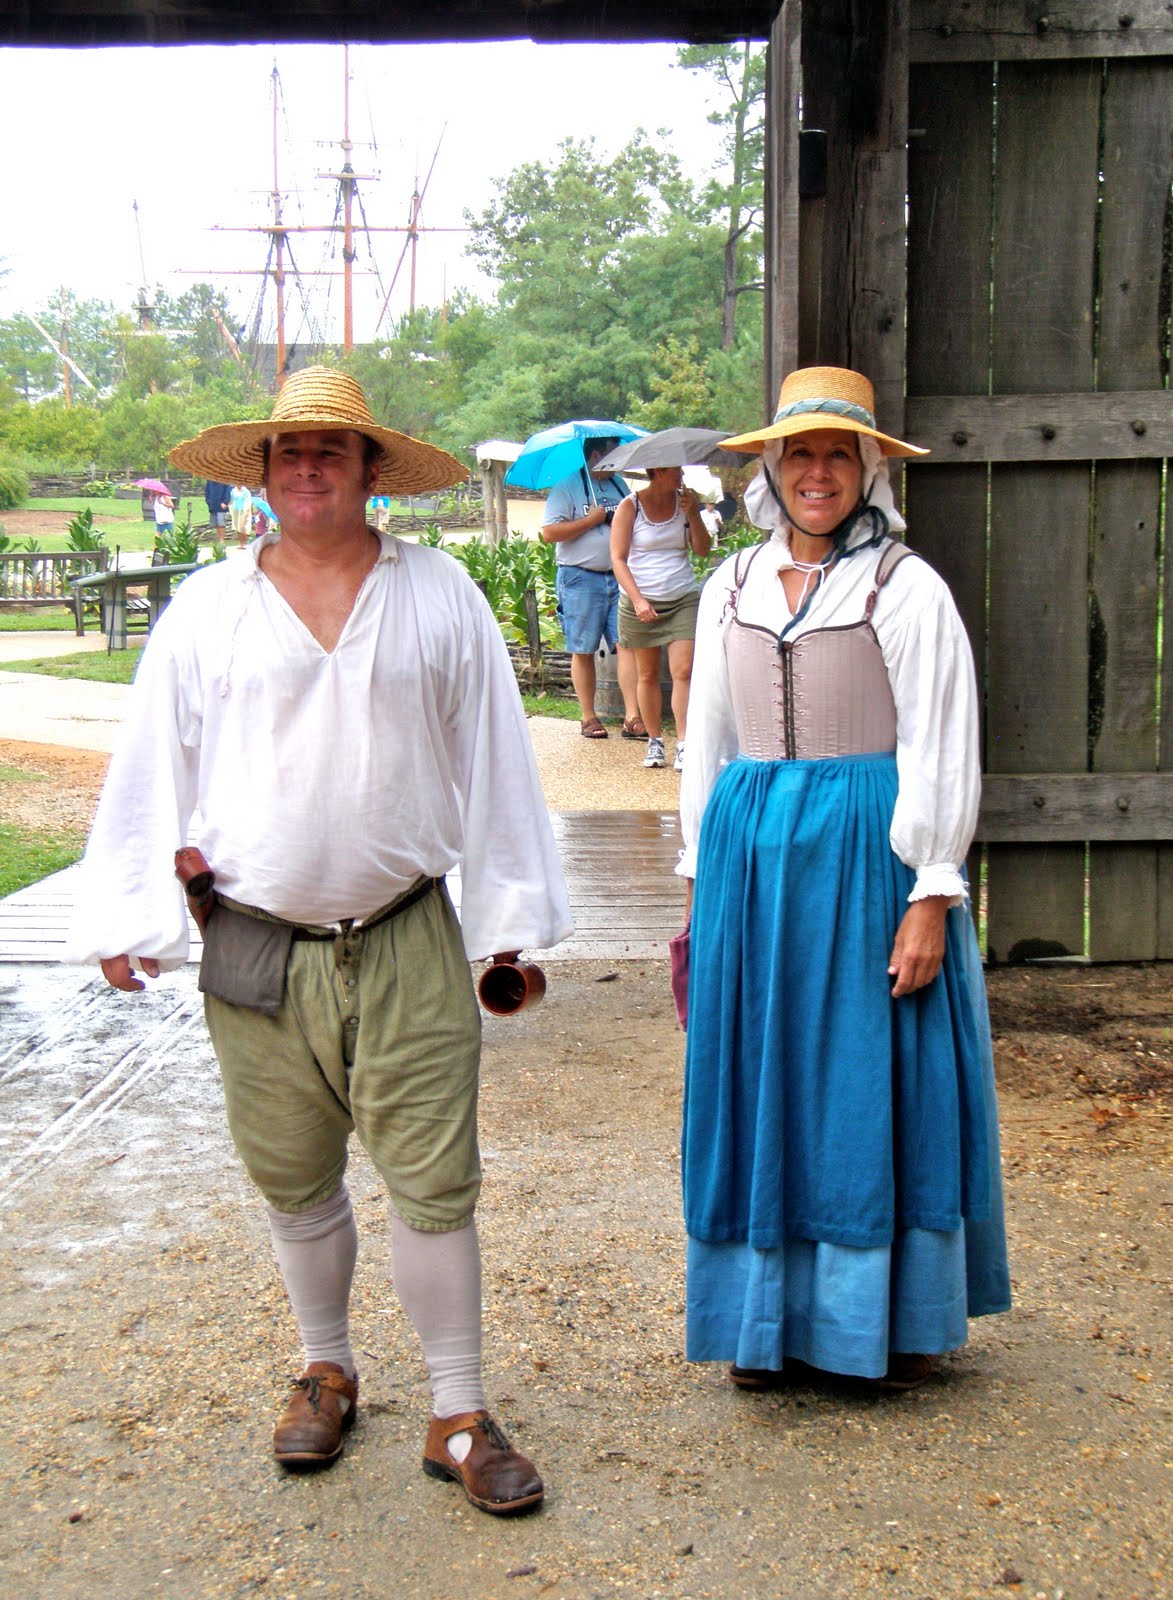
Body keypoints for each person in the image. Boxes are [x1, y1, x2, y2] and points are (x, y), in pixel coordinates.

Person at [65, 366, 572, 1517]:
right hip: (256, 946)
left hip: (404, 934)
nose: (307, 467)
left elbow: (496, 758)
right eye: (289, 450)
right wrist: (128, 911)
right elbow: (154, 767)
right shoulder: (206, 608)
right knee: (294, 1173)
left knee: (436, 1181)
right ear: (264, 470)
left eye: (331, 450)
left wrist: (510, 928)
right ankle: (327, 1367)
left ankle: (457, 1408)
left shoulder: (441, 595)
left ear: (370, 470)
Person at [677, 365, 1010, 1393]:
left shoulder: (905, 587)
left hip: (869, 855)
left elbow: (943, 744)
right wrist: (700, 884)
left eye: (837, 452)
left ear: (868, 469)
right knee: (763, 1077)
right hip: (752, 861)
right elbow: (707, 742)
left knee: (873, 1076)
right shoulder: (730, 584)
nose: (816, 471)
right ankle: (763, 1321)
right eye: (799, 452)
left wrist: (931, 891)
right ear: (770, 469)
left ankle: (888, 1321)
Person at [541, 438, 647, 741]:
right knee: (583, 648)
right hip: (579, 577)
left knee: (625, 643)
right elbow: (550, 532)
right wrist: (591, 521)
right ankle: (589, 716)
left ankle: (632, 717)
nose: (618, 461)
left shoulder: (619, 486)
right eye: (613, 454)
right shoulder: (567, 487)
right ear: (597, 455)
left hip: (619, 576)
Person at [610, 465, 710, 771]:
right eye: (673, 469)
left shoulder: (686, 502)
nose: (680, 474)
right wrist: (638, 599)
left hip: (681, 596)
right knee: (648, 674)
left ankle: (684, 742)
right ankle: (655, 741)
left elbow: (703, 550)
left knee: (684, 670)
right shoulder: (631, 506)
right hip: (641, 599)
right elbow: (617, 557)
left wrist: (693, 514)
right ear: (656, 471)